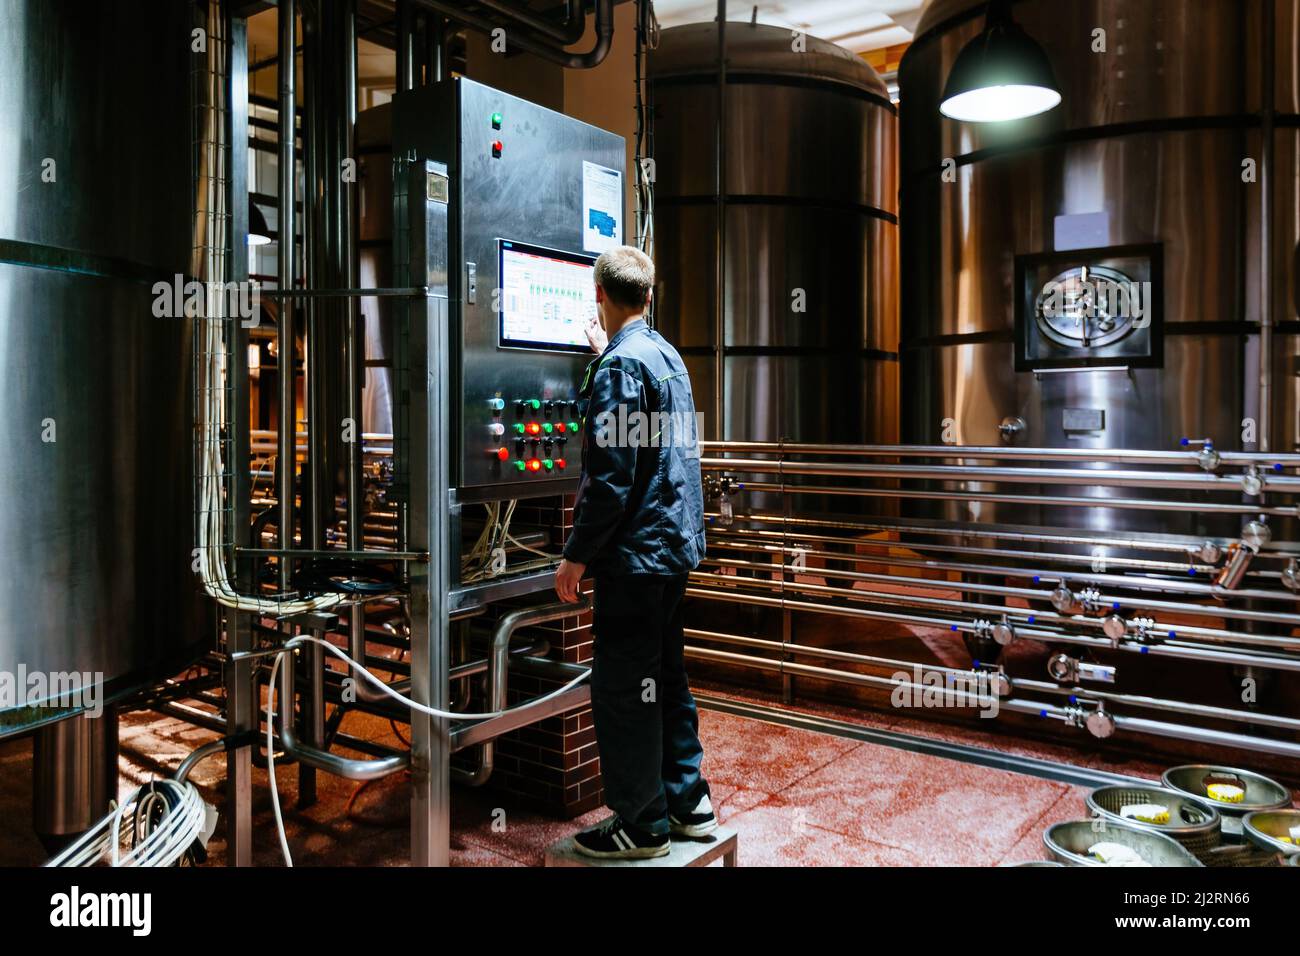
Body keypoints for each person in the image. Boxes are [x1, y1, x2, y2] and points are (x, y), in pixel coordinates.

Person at [554, 245, 712, 859]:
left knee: (625, 688)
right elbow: (653, 443)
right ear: (649, 296)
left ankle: (641, 823)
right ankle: (687, 801)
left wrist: (576, 555)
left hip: (635, 557)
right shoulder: (664, 357)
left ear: (600, 294)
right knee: (667, 677)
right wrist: (606, 358)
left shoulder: (624, 368)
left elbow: (613, 476)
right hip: (672, 550)